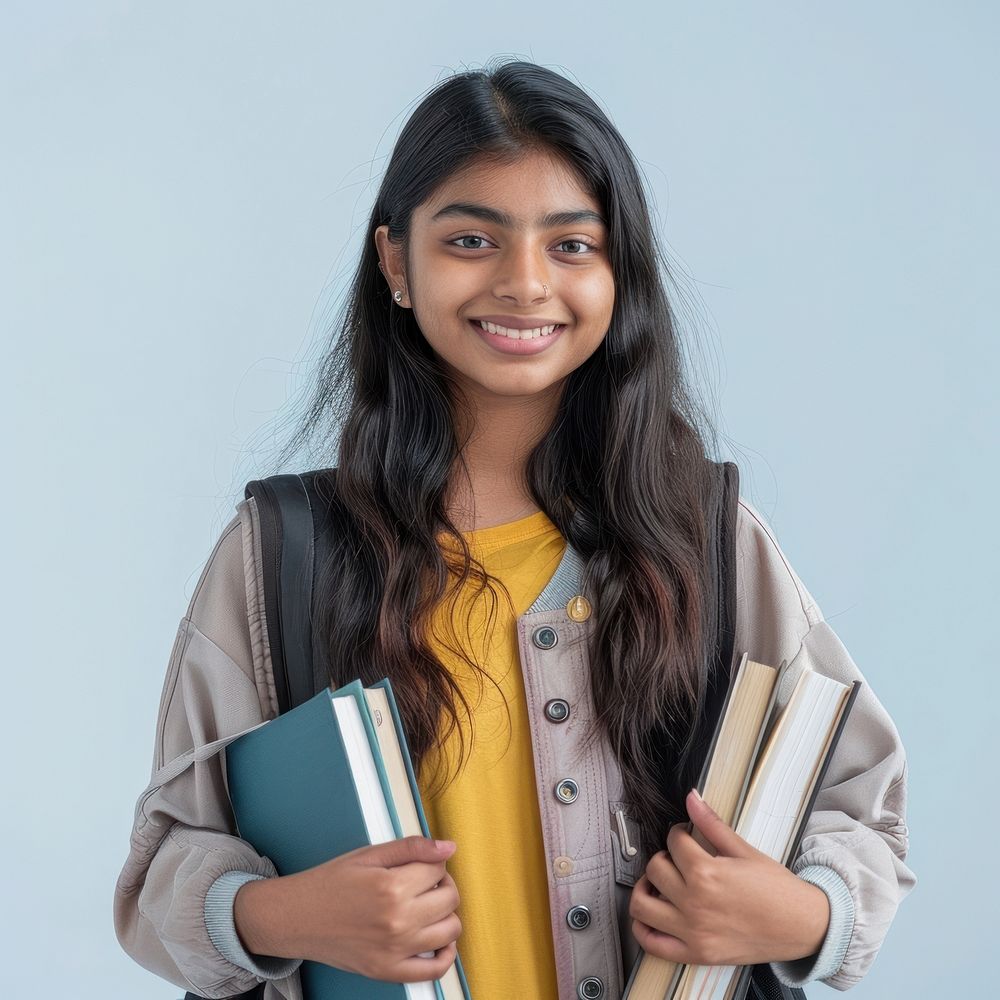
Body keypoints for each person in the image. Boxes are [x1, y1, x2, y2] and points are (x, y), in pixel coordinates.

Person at [113, 59, 916, 1000]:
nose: (526, 283)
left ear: (620, 274)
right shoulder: (282, 551)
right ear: (395, 265)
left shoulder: (703, 533)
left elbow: (863, 805)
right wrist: (280, 916)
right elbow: (168, 860)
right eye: (471, 240)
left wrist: (801, 915)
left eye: (572, 245)